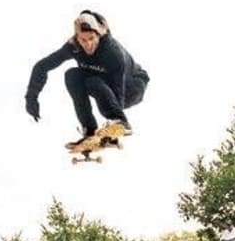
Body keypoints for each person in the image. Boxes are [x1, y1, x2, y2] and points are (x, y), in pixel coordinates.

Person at [25, 10, 150, 151]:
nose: (88, 44)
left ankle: (119, 122)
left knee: (93, 82)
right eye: (83, 40)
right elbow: (42, 66)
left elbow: (118, 89)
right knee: (72, 75)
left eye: (91, 38)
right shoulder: (73, 46)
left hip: (132, 86)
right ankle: (89, 131)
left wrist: (116, 127)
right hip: (102, 84)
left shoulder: (112, 52)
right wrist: (31, 98)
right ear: (77, 38)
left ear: (99, 35)